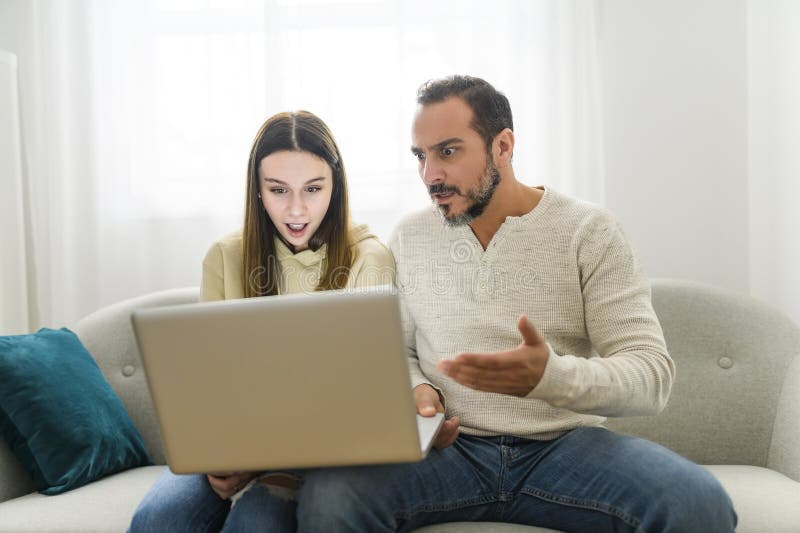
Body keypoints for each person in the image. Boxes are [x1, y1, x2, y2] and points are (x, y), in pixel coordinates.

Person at [294, 76, 737, 532]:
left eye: (448, 151)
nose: (430, 175)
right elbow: (398, 352)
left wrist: (550, 376)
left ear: (502, 146)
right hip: (451, 450)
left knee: (696, 502)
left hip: (565, 447)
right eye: (420, 156)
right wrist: (419, 394)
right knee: (330, 496)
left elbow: (651, 375)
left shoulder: (590, 231)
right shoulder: (410, 235)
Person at [129, 110, 395, 532]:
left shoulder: (370, 258)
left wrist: (261, 465)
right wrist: (219, 455)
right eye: (277, 190)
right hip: (231, 448)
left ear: (336, 186)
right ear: (257, 189)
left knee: (254, 525)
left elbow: (361, 404)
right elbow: (209, 384)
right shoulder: (224, 256)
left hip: (318, 460)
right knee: (157, 521)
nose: (296, 209)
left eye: (313, 189)